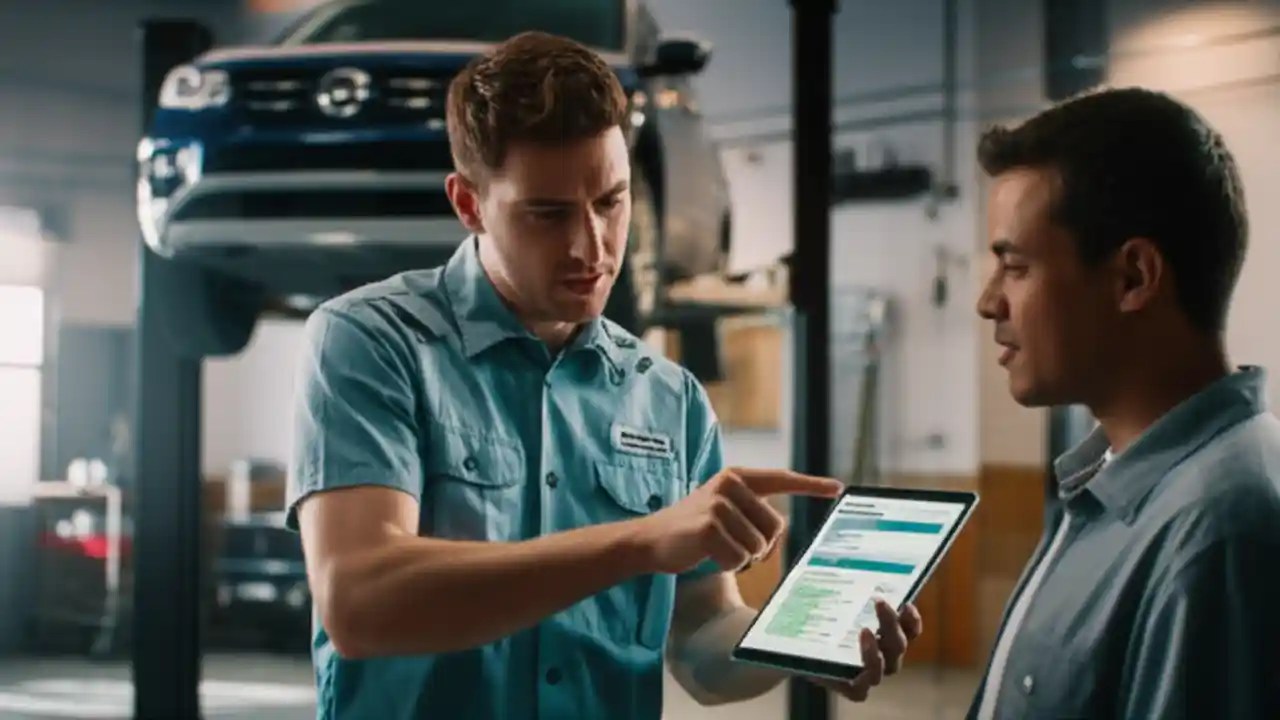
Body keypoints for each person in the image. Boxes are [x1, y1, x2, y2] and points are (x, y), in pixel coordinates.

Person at [286, 31, 920, 720]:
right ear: (468, 204)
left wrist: (802, 643)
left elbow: (702, 645)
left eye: (611, 202)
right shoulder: (373, 342)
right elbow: (361, 603)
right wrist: (639, 541)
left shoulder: (667, 398)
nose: (590, 246)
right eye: (548, 214)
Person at [971, 86, 1280, 719]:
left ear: (1133, 277)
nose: (988, 301)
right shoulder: (1115, 485)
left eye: (1016, 267)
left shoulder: (1214, 529)